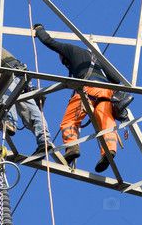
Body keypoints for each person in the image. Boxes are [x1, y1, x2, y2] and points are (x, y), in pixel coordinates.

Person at [33, 23, 124, 172]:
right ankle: (109, 151)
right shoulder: (96, 59)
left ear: (64, 58)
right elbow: (116, 80)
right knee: (106, 122)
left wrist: (39, 30)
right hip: (106, 93)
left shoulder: (70, 50)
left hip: (87, 90)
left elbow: (50, 42)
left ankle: (72, 148)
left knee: (69, 121)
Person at [0, 32, 53, 156]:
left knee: (3, 91)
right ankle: (44, 141)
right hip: (22, 86)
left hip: (15, 78)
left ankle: (10, 122)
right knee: (32, 116)